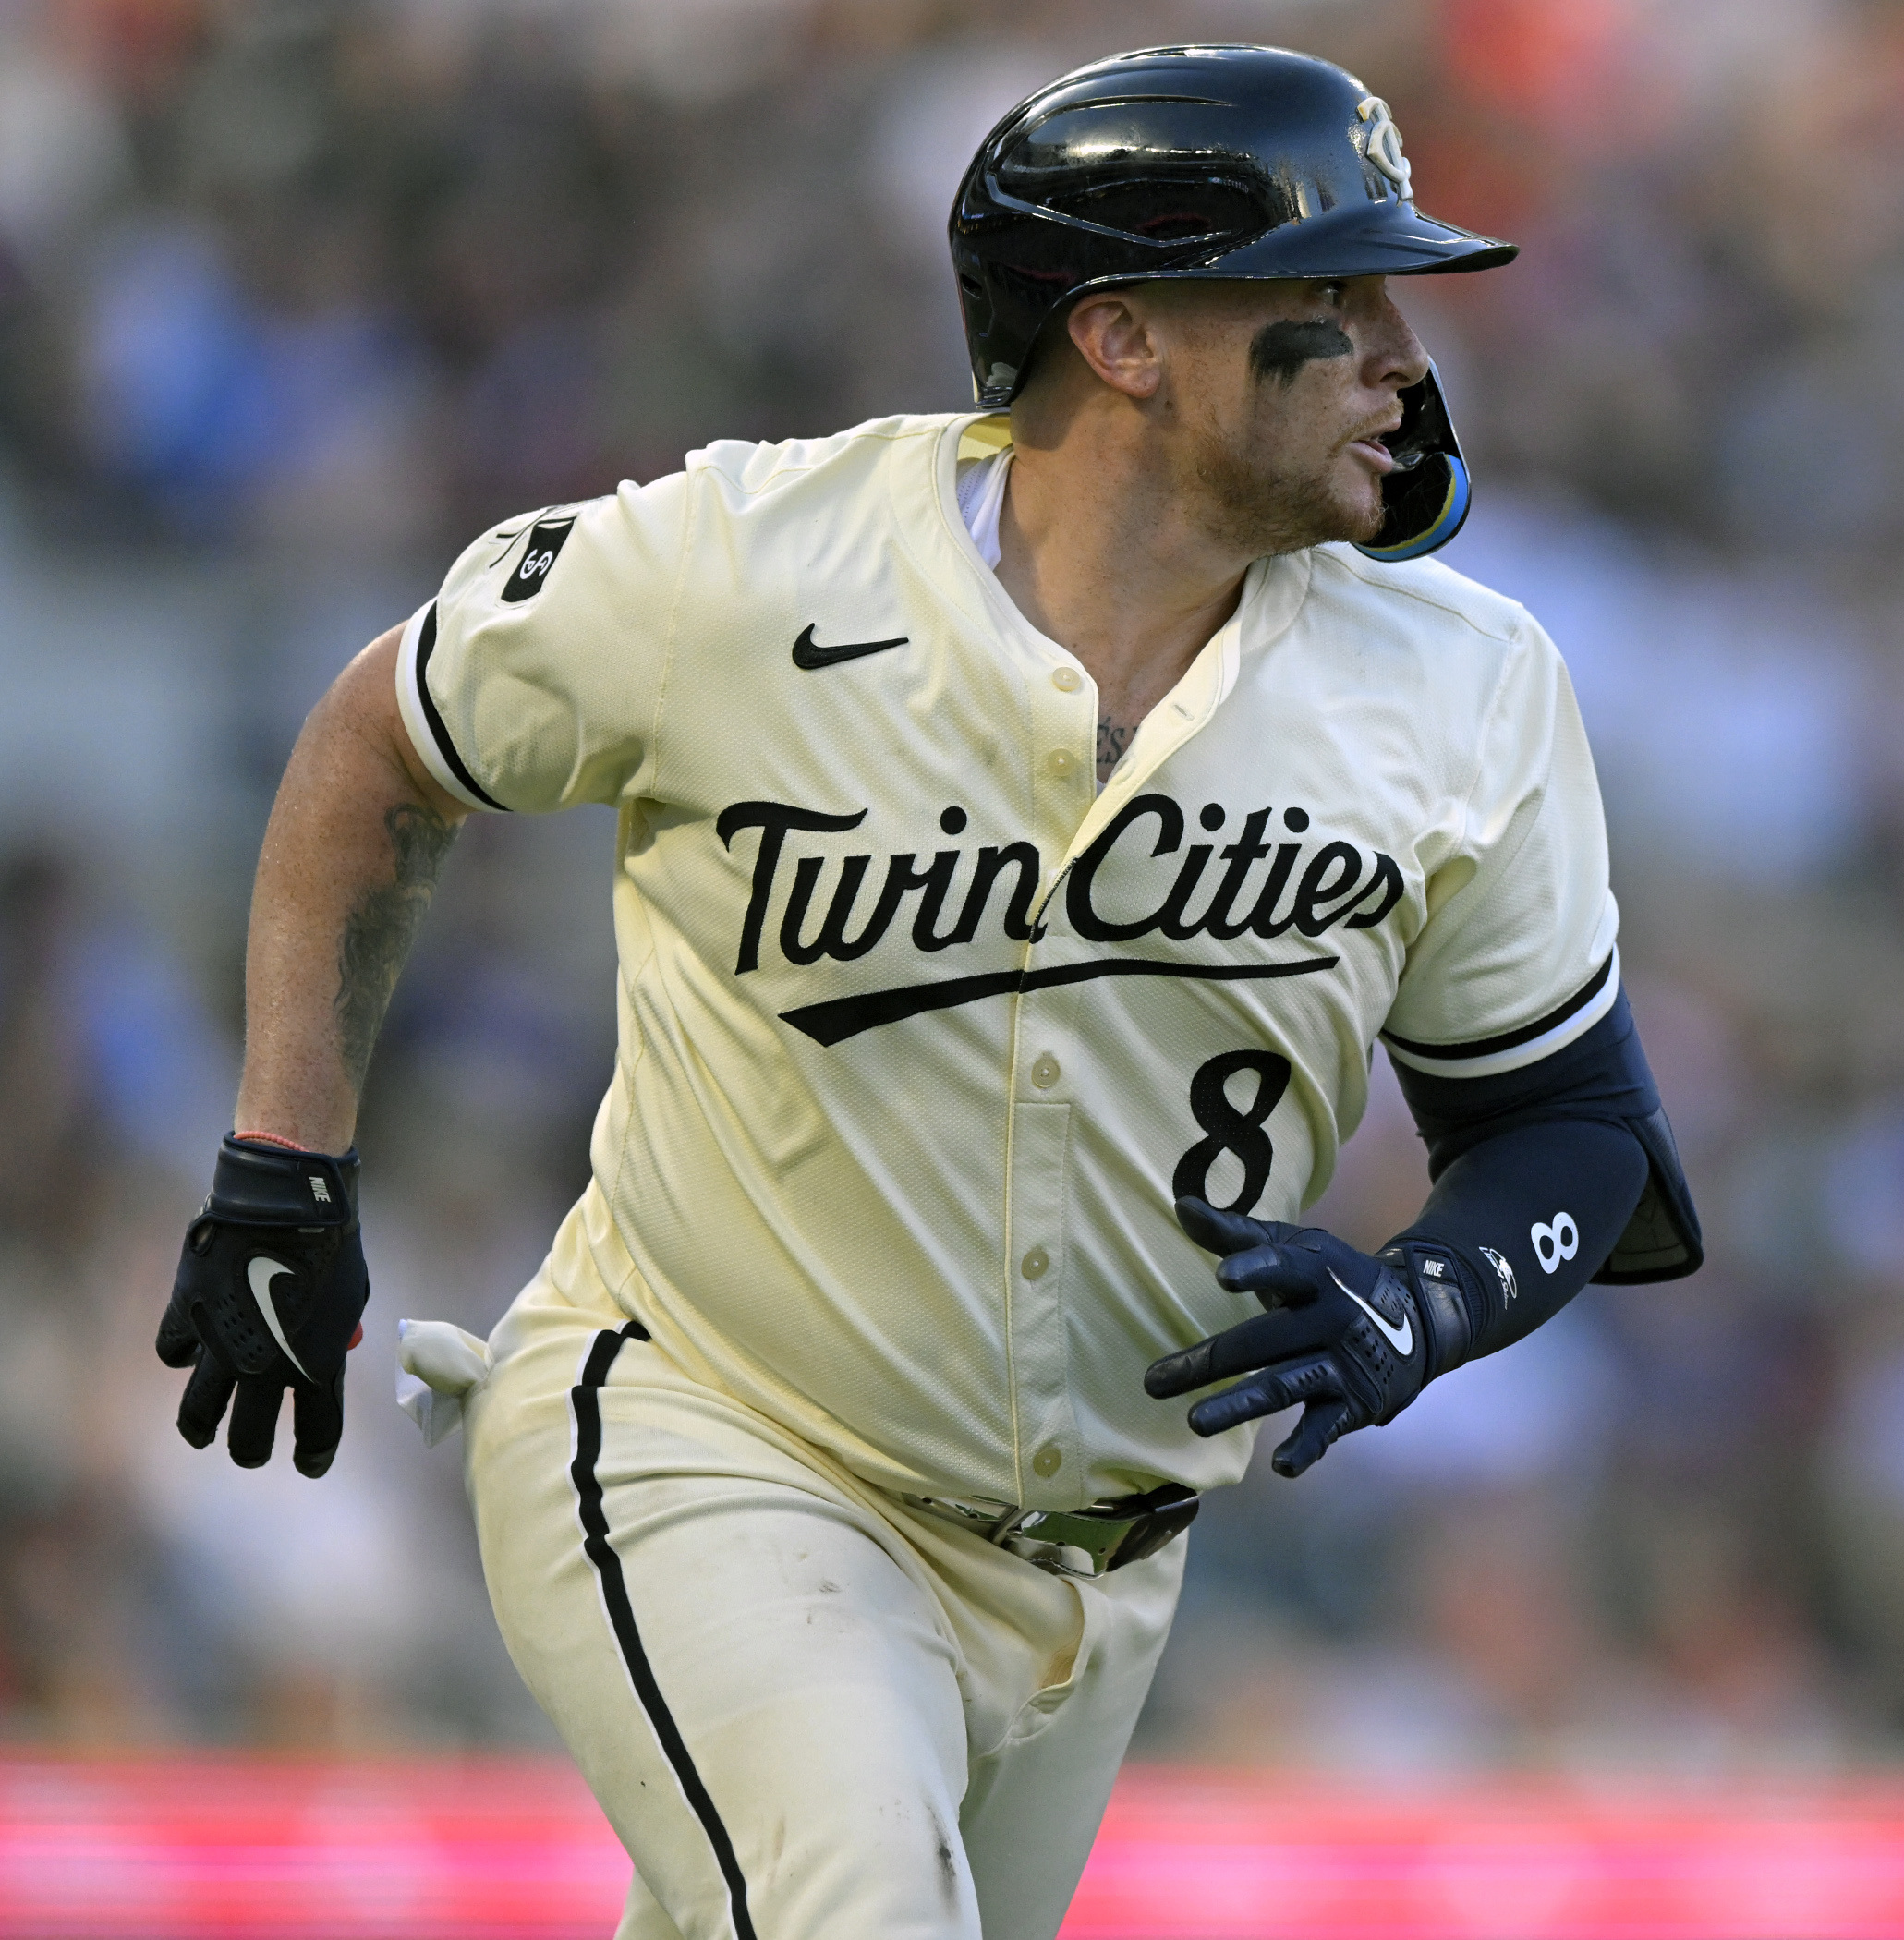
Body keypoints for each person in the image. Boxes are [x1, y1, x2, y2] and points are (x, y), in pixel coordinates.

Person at [152, 43, 1698, 1940]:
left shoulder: (1465, 681)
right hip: (711, 1440)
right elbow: (381, 744)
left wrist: (1424, 1300)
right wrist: (281, 1163)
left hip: (1099, 1579)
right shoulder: (741, 566)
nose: (1399, 354)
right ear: (1123, 340)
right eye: (1331, 302)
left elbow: (1576, 1127)